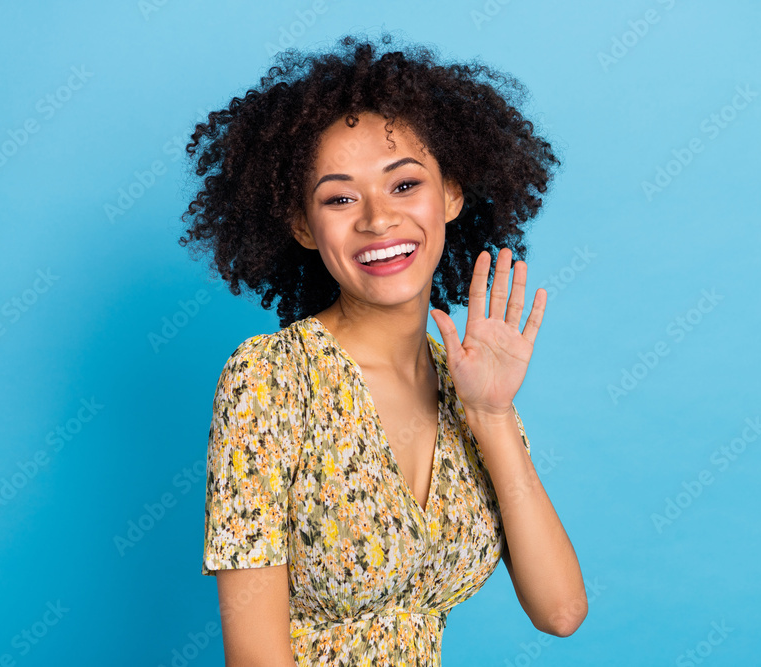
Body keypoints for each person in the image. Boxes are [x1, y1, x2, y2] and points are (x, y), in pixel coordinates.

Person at [179, 31, 586, 666]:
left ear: (450, 195)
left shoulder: (467, 382)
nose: (376, 218)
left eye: (404, 185)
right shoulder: (270, 379)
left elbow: (560, 611)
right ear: (301, 225)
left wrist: (492, 414)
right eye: (339, 198)